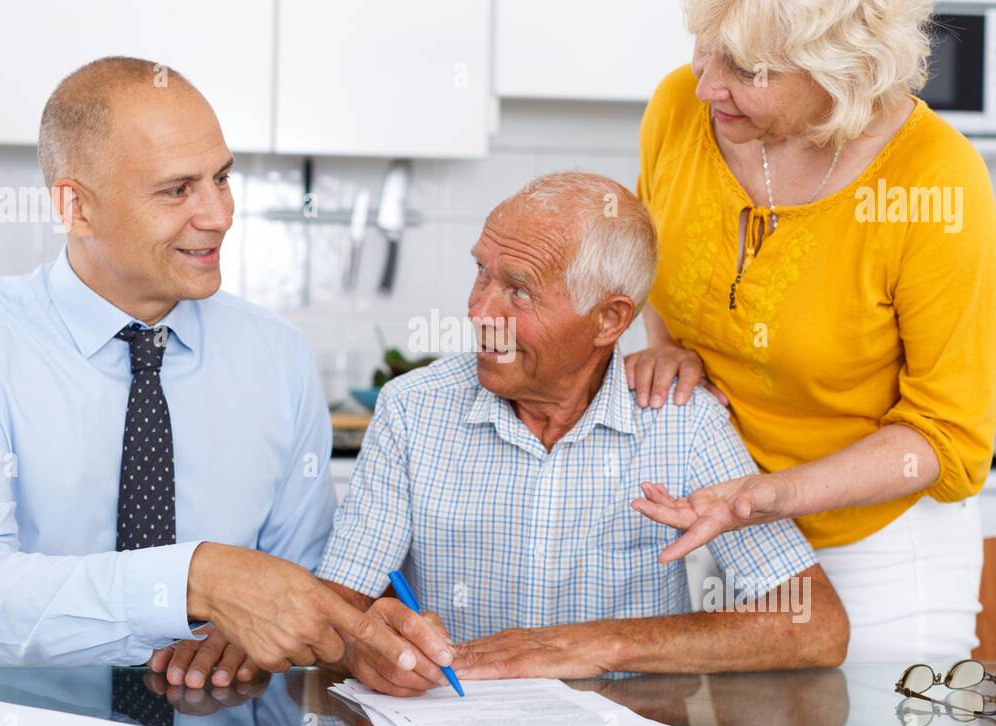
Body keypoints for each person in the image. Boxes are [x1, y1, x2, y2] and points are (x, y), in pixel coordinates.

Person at [0, 56, 434, 685]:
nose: (219, 215)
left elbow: (297, 580)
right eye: (177, 190)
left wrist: (254, 632)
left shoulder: (277, 355)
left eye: (222, 178)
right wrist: (194, 579)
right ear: (76, 207)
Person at [626, 0, 996, 661]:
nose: (707, 83)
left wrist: (773, 495)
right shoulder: (678, 109)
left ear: (843, 68)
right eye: (704, 45)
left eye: (749, 70)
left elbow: (948, 441)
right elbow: (660, 265)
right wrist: (668, 343)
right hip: (720, 531)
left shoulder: (935, 180)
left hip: (875, 554)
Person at [317, 171, 849, 696]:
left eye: (519, 292)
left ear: (608, 321)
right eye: (482, 272)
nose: (479, 311)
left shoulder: (684, 423)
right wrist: (368, 642)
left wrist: (596, 646)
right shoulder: (413, 408)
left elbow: (816, 625)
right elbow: (338, 611)